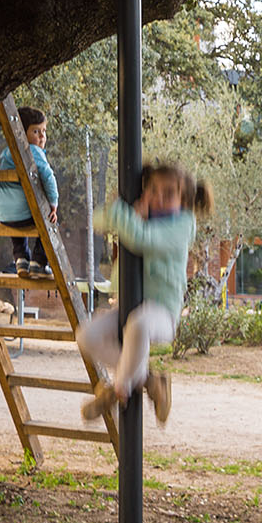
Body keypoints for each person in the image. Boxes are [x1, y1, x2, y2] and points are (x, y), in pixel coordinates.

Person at [79, 160, 212, 427]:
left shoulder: (181, 226)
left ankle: (118, 390)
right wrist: (126, 211)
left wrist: (126, 215)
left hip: (162, 313)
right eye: (152, 190)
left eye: (169, 193)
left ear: (183, 202)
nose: (158, 197)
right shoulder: (139, 216)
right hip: (129, 306)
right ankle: (148, 379)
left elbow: (144, 240)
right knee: (87, 336)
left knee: (139, 324)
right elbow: (99, 221)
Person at [0, 105, 58, 278]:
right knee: (50, 220)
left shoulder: (7, 152)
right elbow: (49, 177)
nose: (42, 136)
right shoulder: (32, 151)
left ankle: (21, 259)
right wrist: (54, 204)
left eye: (44, 131)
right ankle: (39, 262)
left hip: (4, 214)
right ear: (21, 133)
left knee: (17, 203)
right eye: (36, 131)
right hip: (24, 215)